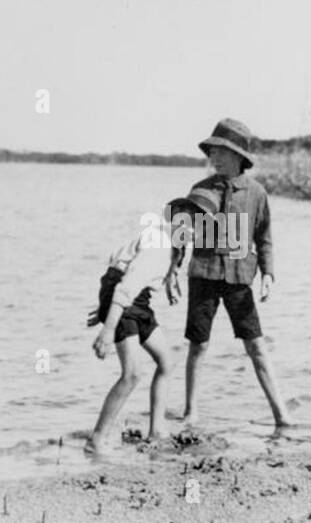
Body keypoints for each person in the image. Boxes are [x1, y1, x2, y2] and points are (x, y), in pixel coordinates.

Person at [165, 118, 294, 428]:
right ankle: (191, 410)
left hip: (239, 277)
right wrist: (172, 270)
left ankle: (281, 414)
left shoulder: (257, 193)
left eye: (220, 151)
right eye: (211, 151)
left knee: (256, 346)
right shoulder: (199, 189)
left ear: (238, 156)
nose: (214, 157)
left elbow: (264, 237)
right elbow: (181, 232)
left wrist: (268, 275)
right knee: (199, 345)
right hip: (203, 274)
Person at [85, 190, 216, 454]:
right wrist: (108, 328)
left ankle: (156, 430)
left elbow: (156, 275)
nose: (195, 231)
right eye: (192, 222)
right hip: (125, 295)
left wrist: (170, 285)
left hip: (138, 300)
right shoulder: (158, 243)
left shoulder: (175, 245)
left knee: (167, 362)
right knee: (132, 374)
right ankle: (96, 439)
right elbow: (125, 283)